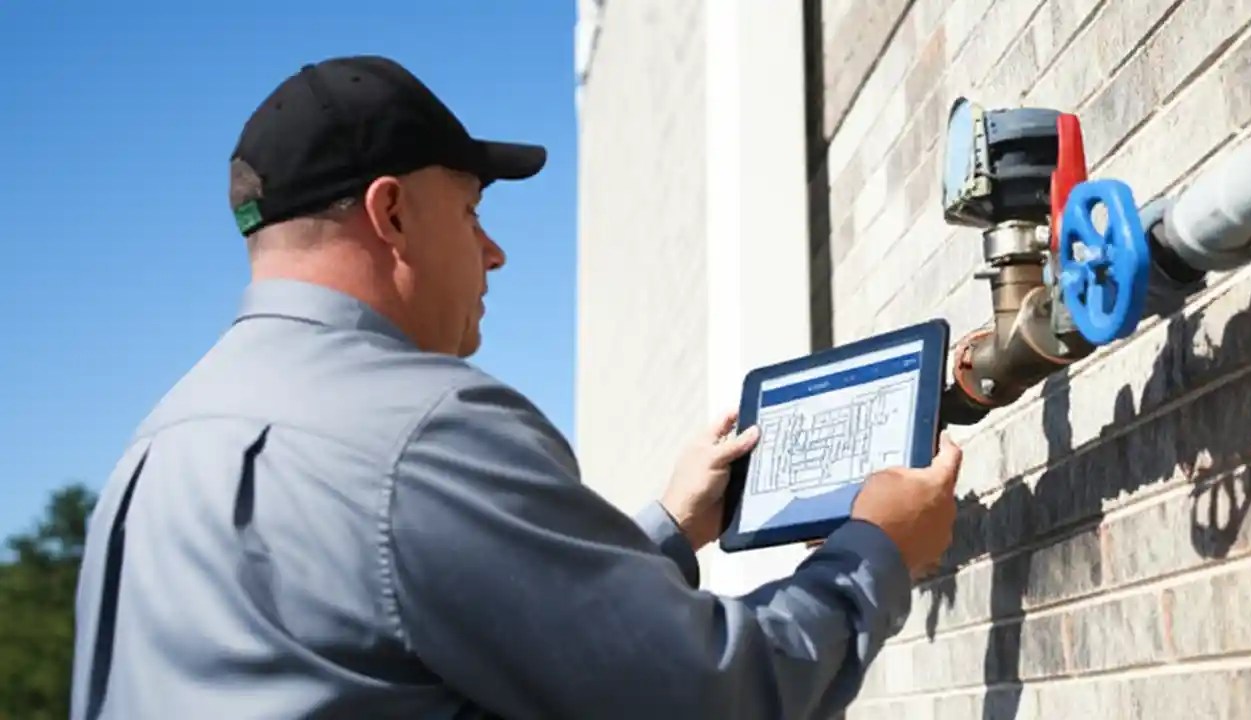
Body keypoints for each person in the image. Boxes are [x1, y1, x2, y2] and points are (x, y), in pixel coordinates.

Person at [70, 55, 962, 720]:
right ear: (390, 214)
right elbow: (710, 696)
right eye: (471, 212)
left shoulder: (152, 456)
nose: (492, 252)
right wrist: (875, 551)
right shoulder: (424, 429)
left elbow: (411, 635)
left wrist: (666, 529)